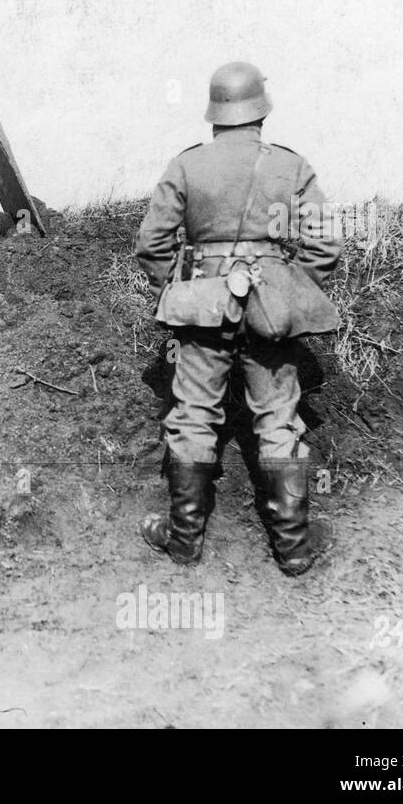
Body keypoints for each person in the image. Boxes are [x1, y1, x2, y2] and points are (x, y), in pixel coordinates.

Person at [135, 61, 342, 576]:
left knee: (193, 415)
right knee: (278, 419)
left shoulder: (186, 165)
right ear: (261, 112)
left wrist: (183, 294)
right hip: (270, 311)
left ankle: (184, 539)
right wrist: (286, 293)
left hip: (203, 306)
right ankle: (293, 547)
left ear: (214, 114)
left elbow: (152, 245)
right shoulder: (290, 167)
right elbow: (323, 246)